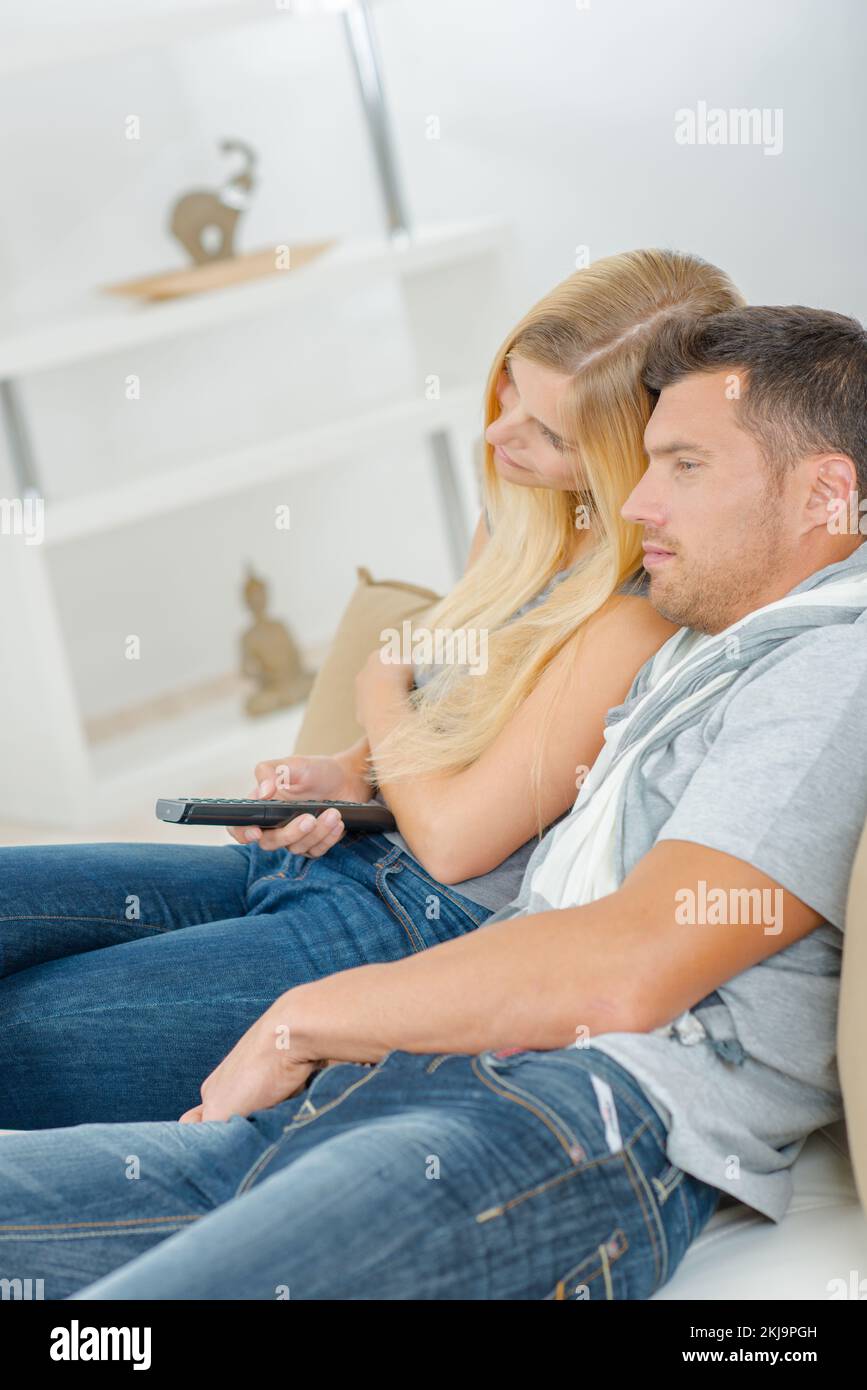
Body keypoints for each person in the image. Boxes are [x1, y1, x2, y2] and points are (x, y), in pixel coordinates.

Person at [1, 302, 865, 1301]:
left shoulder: (832, 672)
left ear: (824, 495)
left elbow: (631, 966)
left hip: (561, 1117)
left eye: (685, 466)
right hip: (406, 1076)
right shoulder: (701, 647)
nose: (633, 504)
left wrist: (303, 1017)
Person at [0, 251, 742, 1128]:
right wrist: (350, 774)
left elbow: (459, 843)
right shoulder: (522, 523)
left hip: (416, 928)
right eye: (508, 387)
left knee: (22, 1037)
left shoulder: (634, 617)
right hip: (333, 864)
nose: (501, 434)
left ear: (627, 460)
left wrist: (376, 683)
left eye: (549, 434)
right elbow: (459, 726)